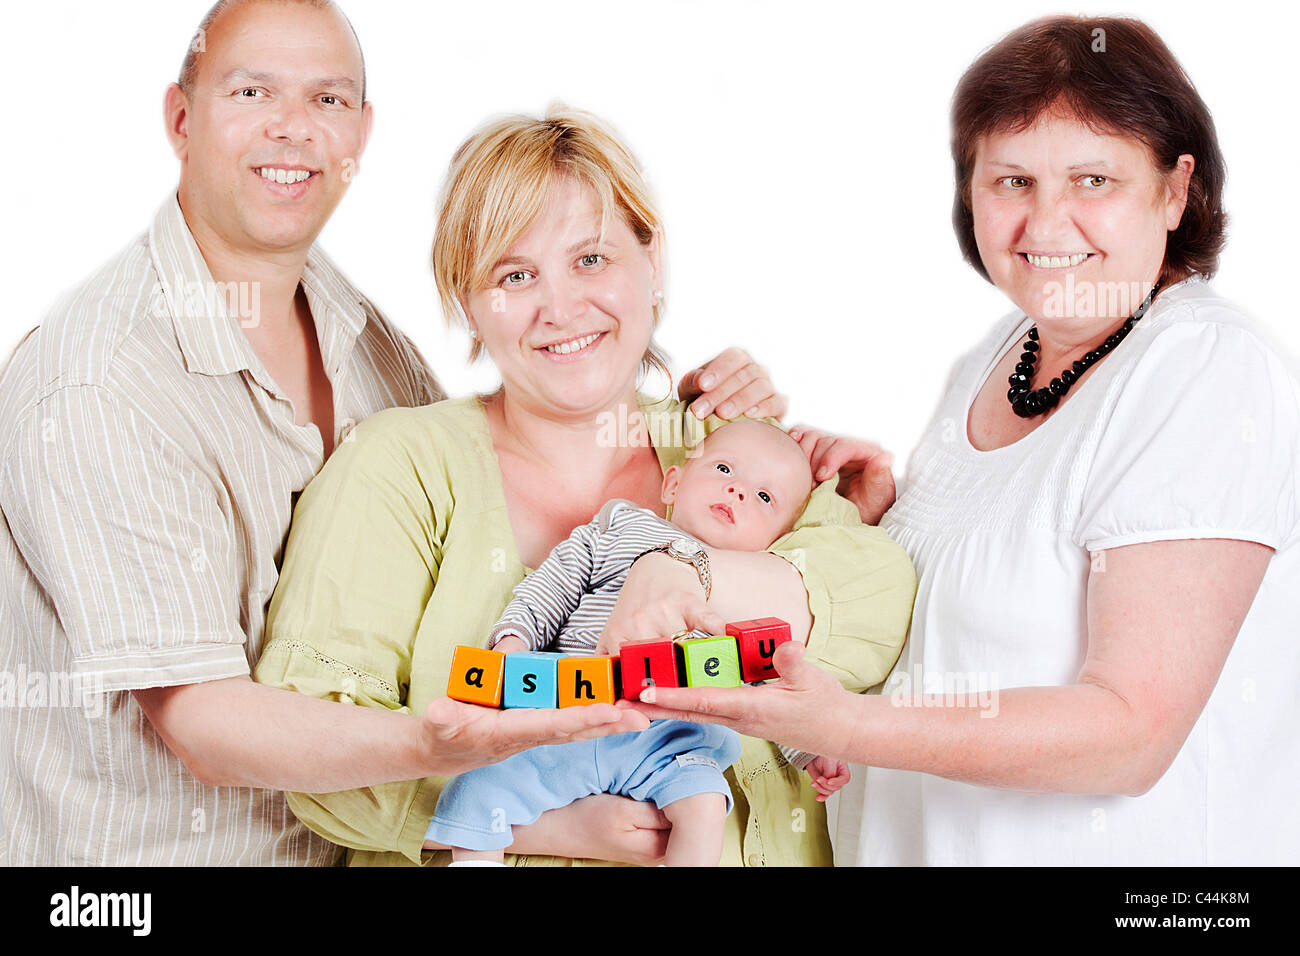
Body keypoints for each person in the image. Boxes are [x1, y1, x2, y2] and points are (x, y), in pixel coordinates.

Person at [0, 0, 765, 866]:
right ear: (180, 118)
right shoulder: (102, 382)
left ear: (361, 134)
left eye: (328, 101)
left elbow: (515, 436)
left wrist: (713, 431)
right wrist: (470, 772)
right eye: (253, 91)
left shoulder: (360, 337)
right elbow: (201, 725)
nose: (293, 129)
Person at [626, 15, 1300, 866]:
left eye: (1094, 179)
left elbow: (1129, 731)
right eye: (1011, 180)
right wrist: (877, 517)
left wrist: (841, 724)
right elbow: (975, 627)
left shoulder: (1204, 369)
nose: (1047, 223)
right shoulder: (996, 359)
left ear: (1175, 190)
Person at [254, 105, 916, 867]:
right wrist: (536, 823)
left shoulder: (728, 445)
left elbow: (876, 607)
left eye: (592, 259)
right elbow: (305, 743)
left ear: (652, 259)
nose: (561, 308)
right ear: (469, 303)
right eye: (514, 274)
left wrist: (683, 572)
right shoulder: (402, 466)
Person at [431, 420, 855, 867]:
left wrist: (807, 750)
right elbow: (552, 586)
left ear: (775, 540)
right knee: (477, 785)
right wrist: (513, 642)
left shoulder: (745, 587)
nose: (739, 492)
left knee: (706, 804)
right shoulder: (621, 526)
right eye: (725, 469)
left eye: (765, 497)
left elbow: (768, 689)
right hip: (565, 713)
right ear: (674, 484)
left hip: (670, 742)